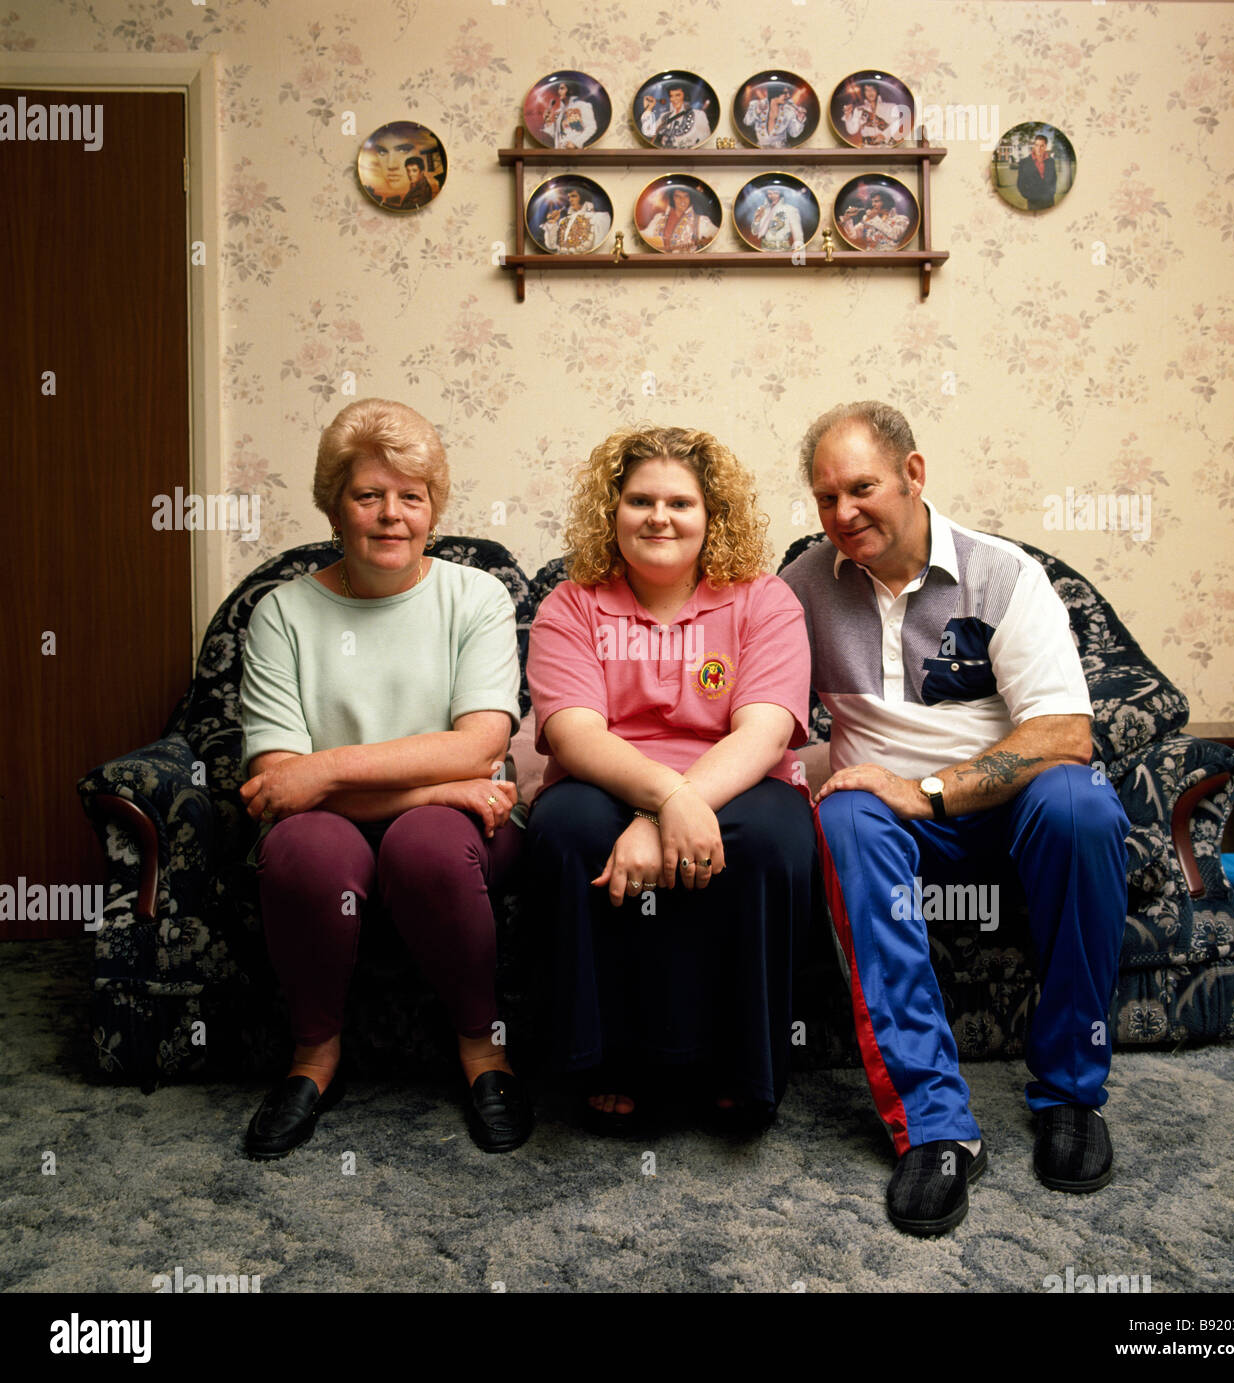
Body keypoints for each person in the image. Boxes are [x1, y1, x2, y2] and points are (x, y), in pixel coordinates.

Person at [779, 401, 1129, 1236]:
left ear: (914, 473)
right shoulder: (801, 588)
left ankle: (1071, 1093)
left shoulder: (1003, 575)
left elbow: (1063, 733)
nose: (843, 513)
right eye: (825, 498)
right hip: (897, 835)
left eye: (861, 487)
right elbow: (761, 714)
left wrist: (929, 788)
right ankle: (935, 1129)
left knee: (1079, 803)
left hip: (1014, 814)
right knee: (849, 815)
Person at [239, 397, 532, 1159]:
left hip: (458, 832)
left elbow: (480, 746)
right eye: (368, 495)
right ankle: (314, 1057)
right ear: (335, 508)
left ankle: (481, 1050)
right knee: (305, 847)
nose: (391, 515)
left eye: (412, 496)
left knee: (427, 842)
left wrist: (329, 768)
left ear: (434, 507)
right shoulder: (280, 613)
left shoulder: (477, 596)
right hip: (333, 830)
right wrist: (436, 781)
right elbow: (278, 785)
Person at [525, 425, 816, 1135]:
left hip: (736, 777)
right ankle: (609, 1061)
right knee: (567, 828)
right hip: (608, 780)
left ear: (712, 516)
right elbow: (575, 734)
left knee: (775, 837)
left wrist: (666, 817)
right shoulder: (571, 605)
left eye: (681, 502)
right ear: (611, 512)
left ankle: (739, 1069)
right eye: (640, 500)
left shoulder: (764, 600)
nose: (660, 516)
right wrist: (664, 798)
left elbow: (764, 731)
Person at [641, 185, 719, 253]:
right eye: (678, 196)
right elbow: (645, 236)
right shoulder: (659, 217)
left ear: (690, 198)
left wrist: (702, 241)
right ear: (672, 198)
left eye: (686, 196)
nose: (682, 200)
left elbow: (716, 234)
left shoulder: (701, 220)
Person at [542, 186, 610, 254]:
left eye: (573, 196)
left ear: (583, 197)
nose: (570, 200)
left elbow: (599, 251)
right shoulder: (564, 221)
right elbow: (551, 246)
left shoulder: (599, 218)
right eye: (569, 197)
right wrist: (552, 223)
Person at [641, 85, 712, 148]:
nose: (674, 99)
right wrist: (648, 109)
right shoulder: (664, 116)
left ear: (685, 96)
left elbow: (705, 139)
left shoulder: (699, 115)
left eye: (678, 95)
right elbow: (648, 133)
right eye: (671, 96)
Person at [741, 85, 807, 148]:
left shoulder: (789, 110)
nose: (788, 96)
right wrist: (758, 110)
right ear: (774, 93)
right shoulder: (756, 104)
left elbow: (794, 134)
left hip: (783, 151)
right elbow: (747, 122)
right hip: (760, 150)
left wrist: (799, 119)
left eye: (788, 93)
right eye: (785, 93)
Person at [847, 191, 912, 249]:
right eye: (872, 201)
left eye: (876, 201)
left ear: (886, 202)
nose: (873, 204)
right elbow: (852, 236)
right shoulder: (869, 218)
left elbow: (895, 235)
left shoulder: (902, 219)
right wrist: (847, 219)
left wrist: (875, 218)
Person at [542, 80, 597, 148]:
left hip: (575, 152)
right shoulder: (558, 112)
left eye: (562, 88)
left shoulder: (583, 106)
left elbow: (591, 127)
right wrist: (548, 121)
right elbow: (557, 135)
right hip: (559, 153)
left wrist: (575, 143)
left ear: (571, 90)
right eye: (559, 89)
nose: (559, 91)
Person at [749, 187, 804, 251]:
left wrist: (798, 253)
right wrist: (757, 219)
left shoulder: (790, 209)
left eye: (776, 193)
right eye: (769, 193)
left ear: (781, 194)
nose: (772, 196)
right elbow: (754, 232)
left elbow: (798, 235)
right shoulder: (763, 209)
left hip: (782, 250)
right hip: (764, 249)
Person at [1017, 134, 1058, 210]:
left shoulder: (1051, 161)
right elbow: (1020, 184)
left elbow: (1054, 179)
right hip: (1033, 203)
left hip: (1049, 201)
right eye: (1036, 145)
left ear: (1045, 146)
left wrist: (1052, 193)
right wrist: (1029, 196)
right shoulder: (1024, 162)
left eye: (1042, 146)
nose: (1039, 148)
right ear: (1034, 146)